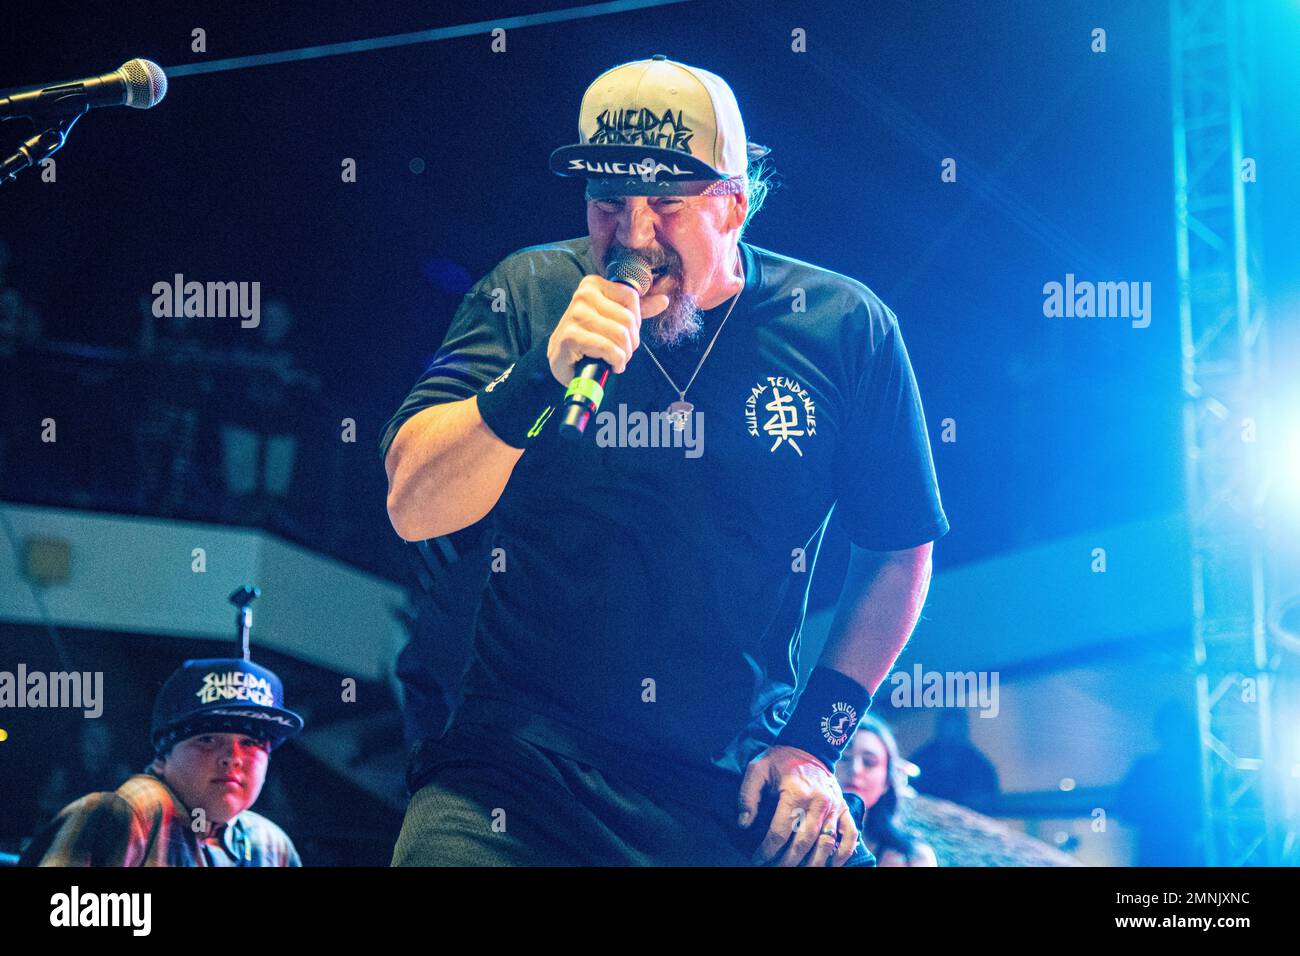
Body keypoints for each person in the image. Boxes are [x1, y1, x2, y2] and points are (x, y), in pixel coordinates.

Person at [382, 55, 948, 866]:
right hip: (519, 766)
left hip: (730, 781)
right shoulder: (529, 291)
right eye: (609, 203)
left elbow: (898, 549)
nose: (635, 236)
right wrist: (537, 375)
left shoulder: (843, 327)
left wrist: (814, 743)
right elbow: (414, 502)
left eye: (668, 205)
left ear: (736, 205)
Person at [20, 658, 304, 867]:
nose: (232, 757)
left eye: (251, 742)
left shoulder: (271, 846)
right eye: (207, 739)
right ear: (161, 757)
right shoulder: (124, 814)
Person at [836, 716, 937, 866]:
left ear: (887, 781)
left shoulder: (911, 857)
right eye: (844, 758)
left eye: (869, 762)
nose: (855, 769)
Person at [910, 708, 1000, 811]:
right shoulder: (921, 761)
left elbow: (987, 797)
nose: (951, 737)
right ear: (939, 731)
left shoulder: (979, 767)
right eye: (948, 730)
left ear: (964, 732)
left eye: (956, 731)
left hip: (966, 822)